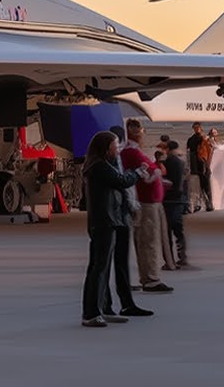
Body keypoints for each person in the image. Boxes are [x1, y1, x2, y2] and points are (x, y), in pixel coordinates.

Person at [81, 130, 145, 327]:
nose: (117, 150)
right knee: (99, 268)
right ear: (105, 148)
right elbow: (121, 181)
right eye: (114, 146)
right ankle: (91, 312)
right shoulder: (100, 166)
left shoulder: (98, 164)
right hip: (105, 221)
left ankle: (104, 308)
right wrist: (137, 172)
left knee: (102, 267)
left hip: (105, 220)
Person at [119, 119, 172, 293]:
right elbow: (150, 172)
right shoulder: (132, 152)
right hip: (146, 203)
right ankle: (150, 278)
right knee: (148, 240)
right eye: (141, 131)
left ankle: (149, 276)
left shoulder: (133, 152)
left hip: (149, 201)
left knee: (148, 239)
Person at [162, 139, 189, 267]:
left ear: (167, 149)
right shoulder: (181, 162)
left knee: (167, 231)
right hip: (179, 199)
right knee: (178, 229)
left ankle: (169, 260)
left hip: (169, 199)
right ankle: (182, 256)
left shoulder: (167, 162)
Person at [187, 122, 212, 213]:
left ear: (201, 128)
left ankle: (208, 204)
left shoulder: (204, 139)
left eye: (198, 127)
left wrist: (207, 164)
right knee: (198, 187)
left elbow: (209, 152)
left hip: (202, 165)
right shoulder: (191, 139)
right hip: (196, 166)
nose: (197, 129)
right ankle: (200, 204)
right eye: (195, 127)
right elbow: (189, 152)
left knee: (205, 186)